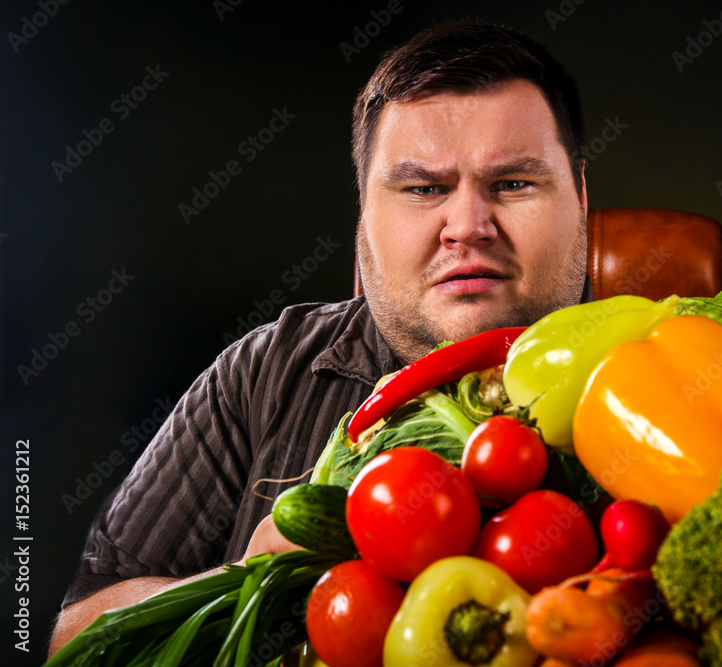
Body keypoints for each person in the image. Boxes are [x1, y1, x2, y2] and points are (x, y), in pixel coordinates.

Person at [49, 19, 592, 655]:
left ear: (581, 197)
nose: (467, 226)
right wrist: (238, 586)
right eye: (422, 189)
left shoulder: (672, 379)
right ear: (364, 219)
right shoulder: (260, 375)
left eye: (513, 184)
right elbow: (57, 633)